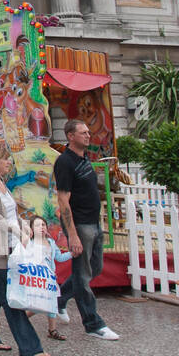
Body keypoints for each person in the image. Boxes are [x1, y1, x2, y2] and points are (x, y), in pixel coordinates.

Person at [0, 144, 51, 356]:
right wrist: (15, 228)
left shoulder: (2, 184)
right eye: (6, 159)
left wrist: (23, 225)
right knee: (10, 298)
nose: (9, 163)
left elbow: (10, 213)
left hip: (9, 246)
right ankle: (30, 347)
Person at [55, 120, 120, 339]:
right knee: (83, 275)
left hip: (94, 221)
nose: (88, 135)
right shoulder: (65, 162)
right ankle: (93, 323)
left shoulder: (86, 160)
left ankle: (60, 299)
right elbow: (63, 201)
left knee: (95, 267)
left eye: (88, 132)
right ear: (70, 136)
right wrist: (72, 234)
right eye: (83, 133)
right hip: (80, 224)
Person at [24, 215, 73, 342]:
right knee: (40, 305)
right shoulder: (30, 243)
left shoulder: (51, 243)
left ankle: (52, 330)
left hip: (50, 280)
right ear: (31, 229)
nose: (41, 227)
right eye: (37, 225)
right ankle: (22, 318)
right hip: (37, 279)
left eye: (43, 225)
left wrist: (72, 254)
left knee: (51, 303)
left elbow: (59, 257)